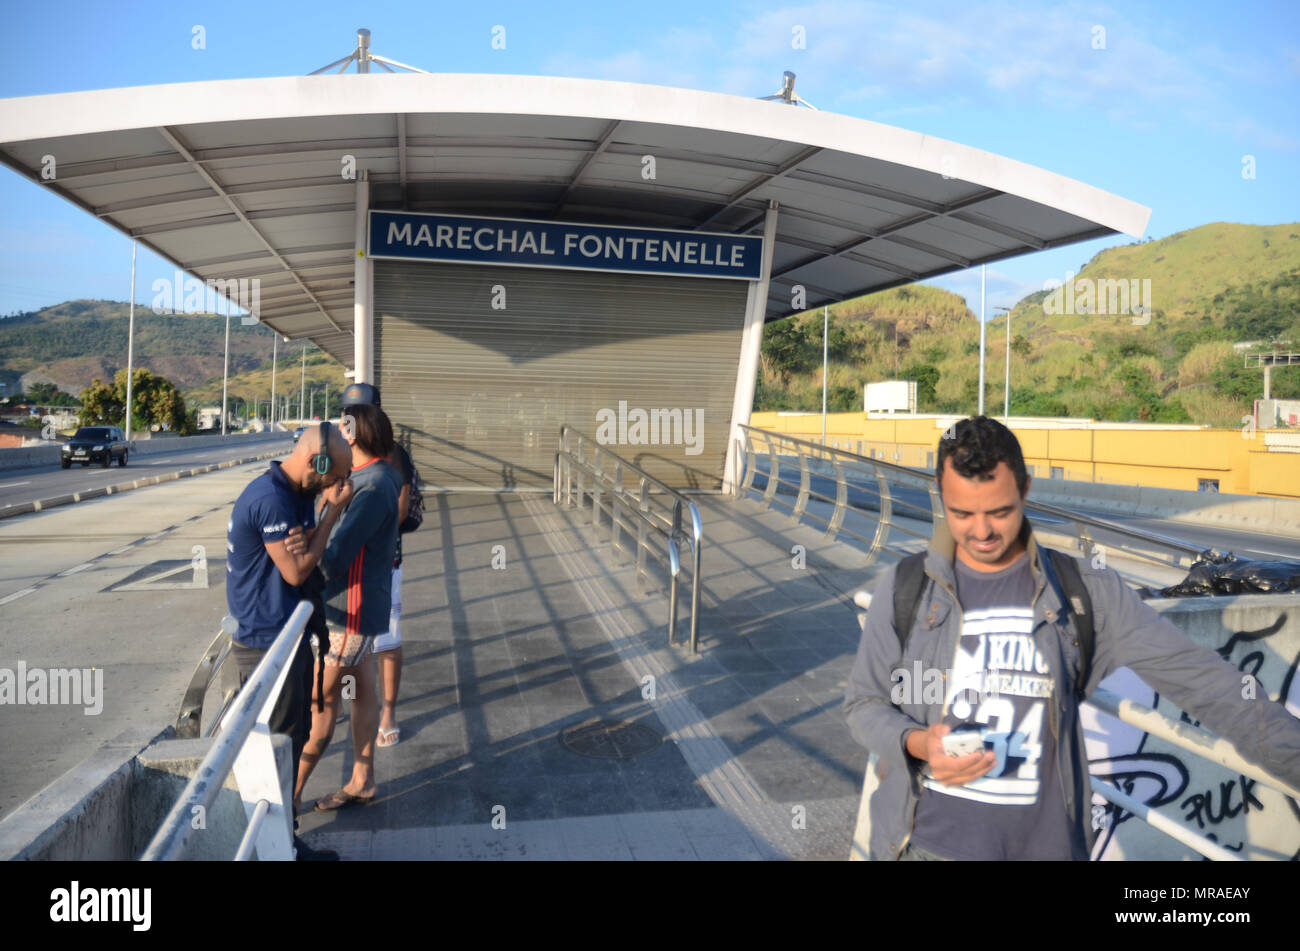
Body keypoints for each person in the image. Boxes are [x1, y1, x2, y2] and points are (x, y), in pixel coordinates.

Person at [843, 415, 1300, 861]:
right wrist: (918, 744)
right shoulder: (906, 586)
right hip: (924, 845)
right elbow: (864, 704)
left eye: (999, 512)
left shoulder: (1086, 591)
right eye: (961, 513)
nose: (980, 532)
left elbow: (1209, 685)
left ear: (1024, 489)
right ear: (941, 497)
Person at [225, 423, 353, 860]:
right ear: (316, 464)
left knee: (290, 740)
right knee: (275, 750)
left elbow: (305, 556)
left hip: (285, 638)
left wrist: (314, 529)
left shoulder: (296, 495)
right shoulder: (271, 500)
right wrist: (330, 516)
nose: (340, 486)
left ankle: (285, 842)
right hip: (265, 645)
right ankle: (274, 850)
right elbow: (297, 571)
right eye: (335, 477)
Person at [295, 401, 401, 811]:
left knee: (319, 706)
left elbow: (334, 557)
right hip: (357, 609)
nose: (335, 436)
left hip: (346, 614)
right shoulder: (368, 477)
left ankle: (288, 795)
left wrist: (299, 551)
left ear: (354, 435)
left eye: (340, 429)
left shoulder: (370, 487)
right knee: (361, 693)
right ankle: (362, 780)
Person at [339, 382, 414, 748]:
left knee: (385, 640)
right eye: (347, 413)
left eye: (358, 413)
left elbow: (399, 508)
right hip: (346, 566)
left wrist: (363, 528)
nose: (350, 421)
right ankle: (357, 706)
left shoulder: (394, 456)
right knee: (350, 643)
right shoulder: (338, 452)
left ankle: (387, 712)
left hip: (383, 562)